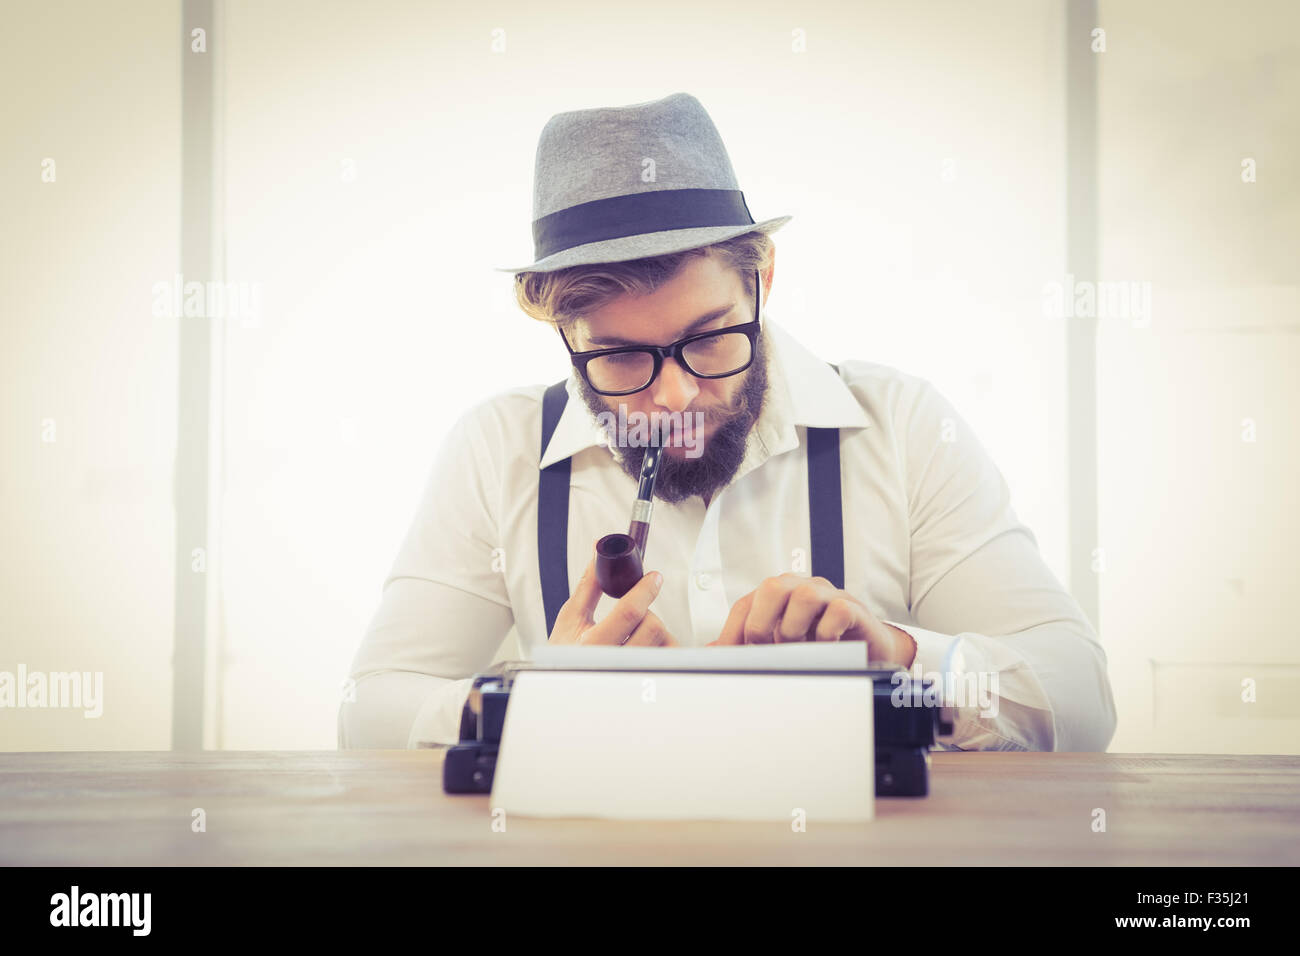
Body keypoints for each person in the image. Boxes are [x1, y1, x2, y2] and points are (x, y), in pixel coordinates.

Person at [339, 92, 1117, 753]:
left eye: (709, 338)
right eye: (618, 356)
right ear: (563, 337)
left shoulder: (902, 427)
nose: (673, 398)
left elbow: (1081, 699)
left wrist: (901, 659)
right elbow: (368, 713)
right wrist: (527, 707)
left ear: (763, 280)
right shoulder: (497, 450)